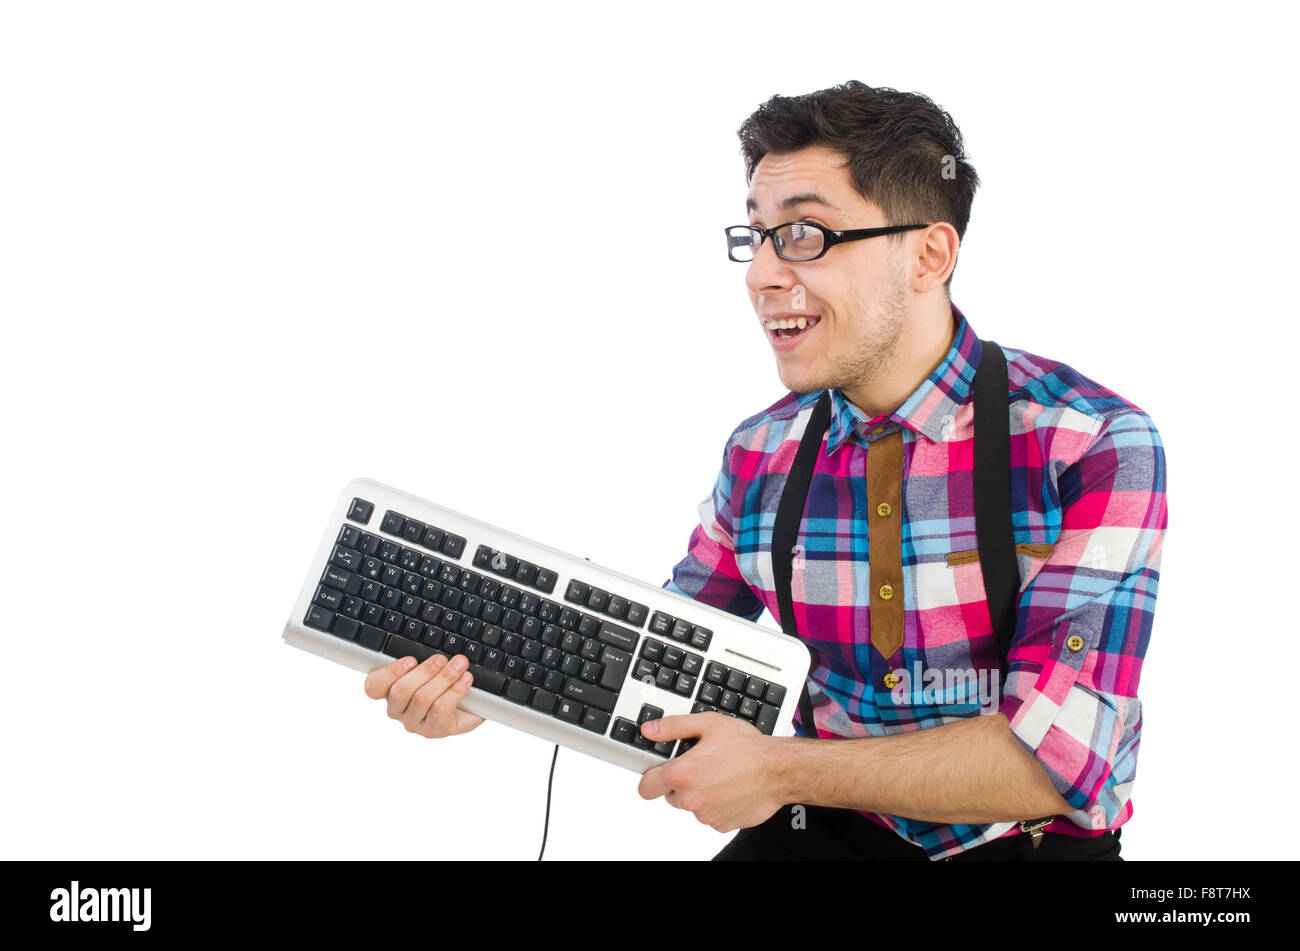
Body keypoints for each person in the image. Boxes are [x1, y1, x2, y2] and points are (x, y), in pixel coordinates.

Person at [362, 81, 1168, 861]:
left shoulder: (1091, 443)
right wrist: (488, 680)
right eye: (757, 236)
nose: (761, 274)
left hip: (1025, 841)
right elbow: (664, 640)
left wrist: (779, 768)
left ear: (929, 253)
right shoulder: (760, 454)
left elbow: (1053, 761)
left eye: (806, 234)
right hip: (833, 824)